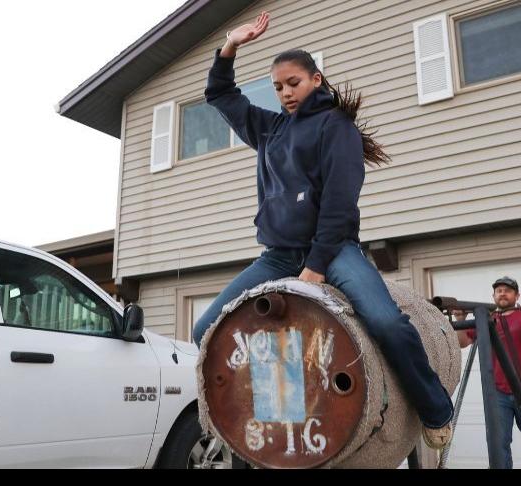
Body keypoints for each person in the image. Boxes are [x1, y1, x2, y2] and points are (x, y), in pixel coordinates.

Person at [190, 11, 454, 449]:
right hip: (278, 255)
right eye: (277, 87)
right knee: (206, 330)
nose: (285, 93)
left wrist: (314, 267)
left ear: (315, 78)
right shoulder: (270, 129)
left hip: (333, 249)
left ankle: (434, 408)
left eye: (292, 83)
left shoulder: (337, 127)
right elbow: (219, 93)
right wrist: (230, 45)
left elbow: (339, 203)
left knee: (387, 323)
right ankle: (264, 412)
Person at [455, 276, 521, 468]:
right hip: (498, 393)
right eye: (499, 290)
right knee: (498, 447)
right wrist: (460, 319)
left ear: (516, 295)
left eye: (507, 290)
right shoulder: (486, 319)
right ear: (493, 296)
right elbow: (463, 342)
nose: (502, 293)